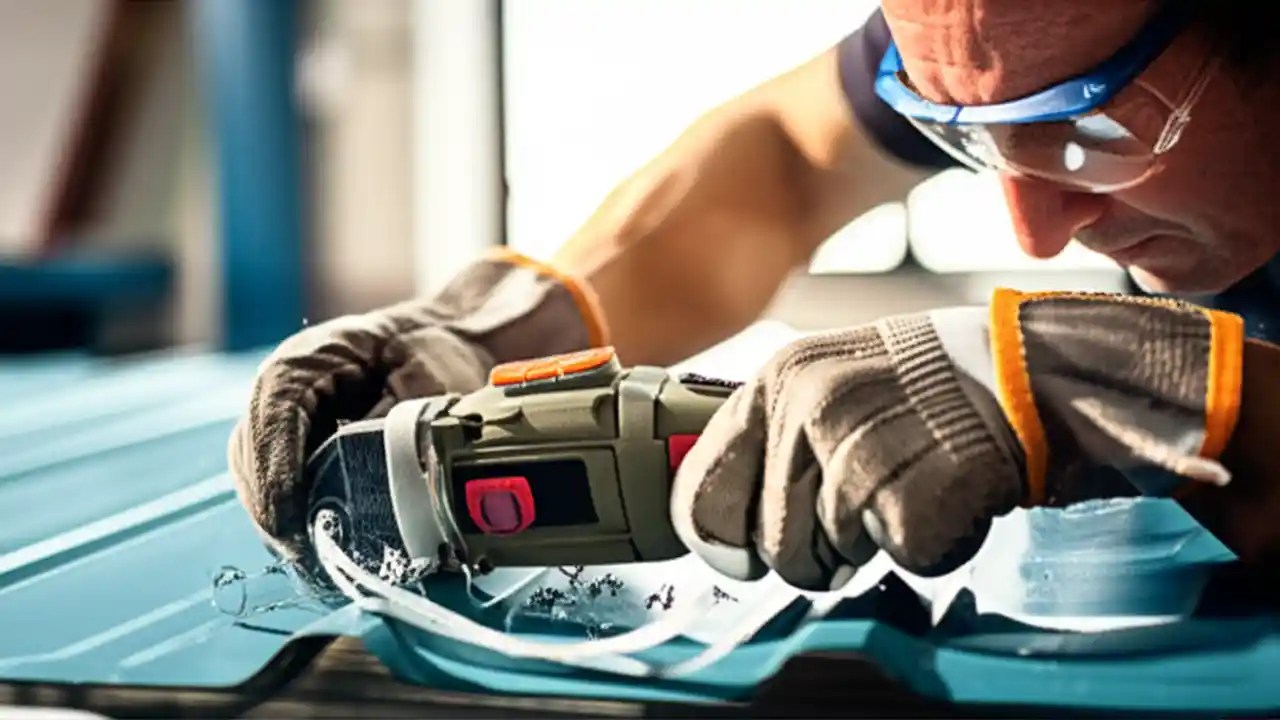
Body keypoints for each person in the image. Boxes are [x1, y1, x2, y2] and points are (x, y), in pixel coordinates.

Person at [229, 0, 1280, 590]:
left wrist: (1194, 396)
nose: (1032, 235)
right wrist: (494, 328)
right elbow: (785, 158)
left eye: (1088, 135)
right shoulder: (1021, 31)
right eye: (963, 140)